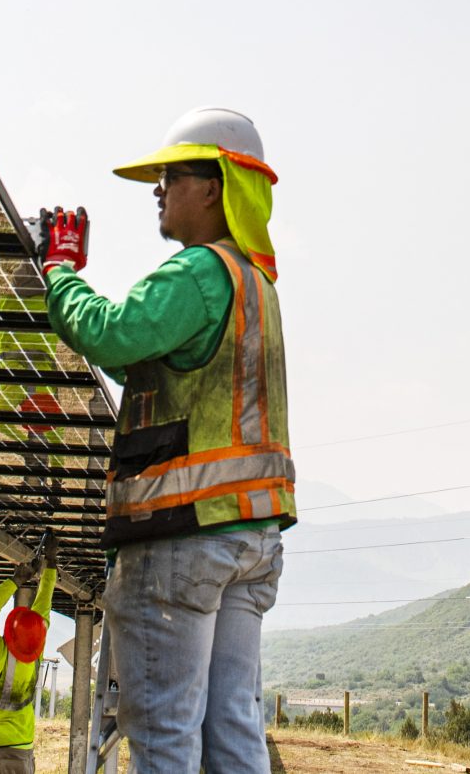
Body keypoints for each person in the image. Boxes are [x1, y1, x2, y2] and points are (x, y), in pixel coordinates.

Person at [36, 107, 294, 774]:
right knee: (231, 724)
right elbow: (152, 361)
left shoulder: (197, 272)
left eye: (171, 176)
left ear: (213, 186)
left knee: (163, 728)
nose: (158, 189)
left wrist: (60, 271)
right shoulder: (253, 283)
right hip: (250, 539)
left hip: (183, 534)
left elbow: (112, 334)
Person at [0, 557, 59, 773]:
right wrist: (51, 565)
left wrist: (16, 581)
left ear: (10, 632)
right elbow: (43, 608)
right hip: (22, 747)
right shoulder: (34, 655)